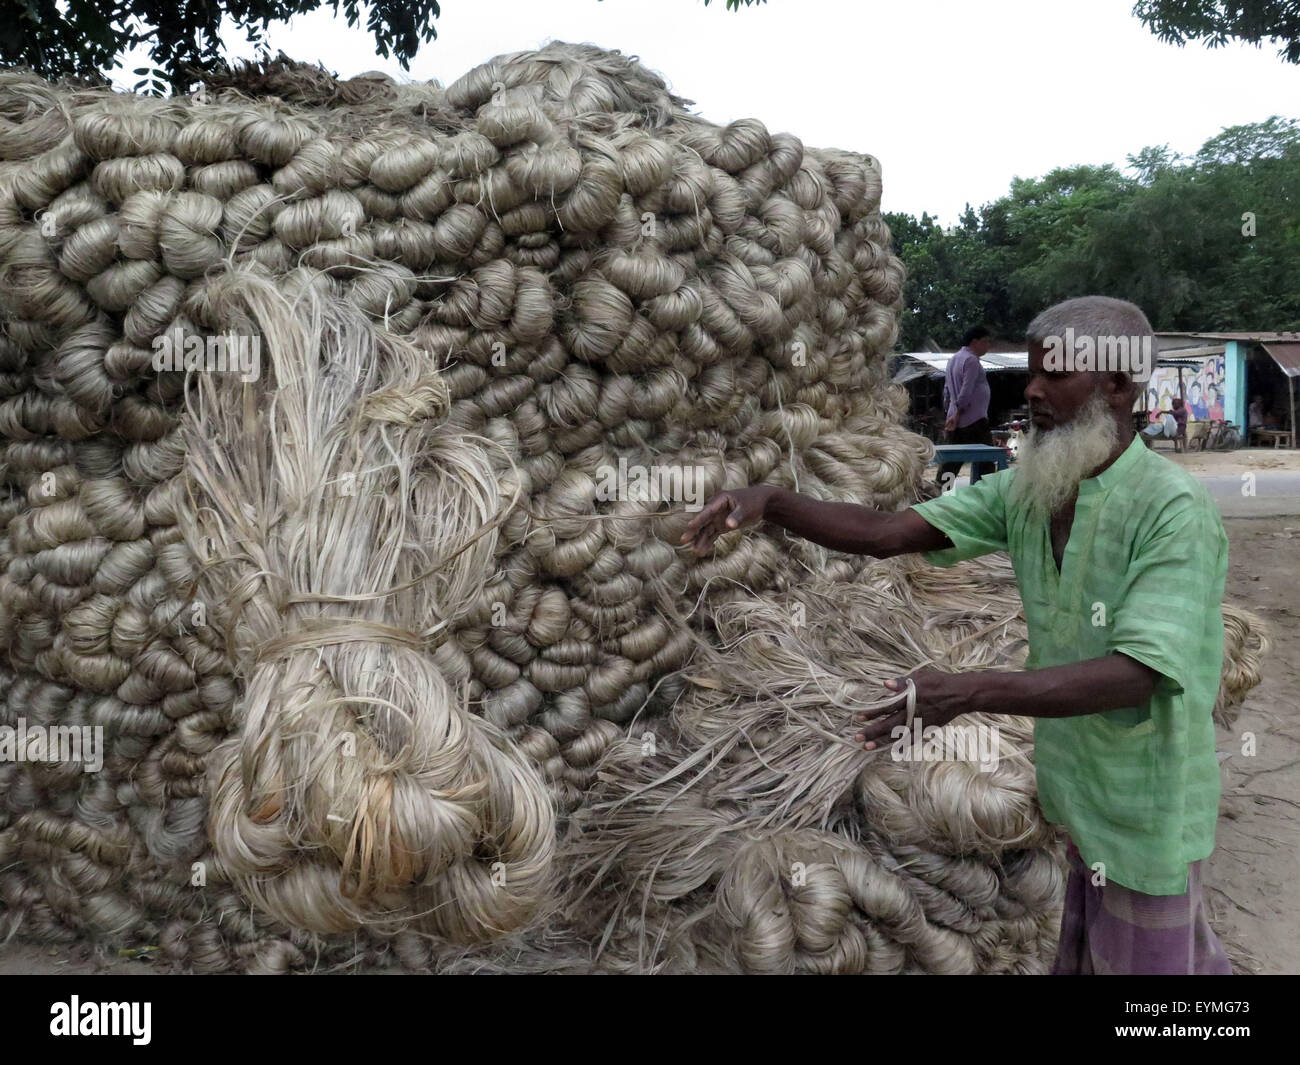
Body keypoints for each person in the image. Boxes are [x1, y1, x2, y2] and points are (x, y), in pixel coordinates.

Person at [682, 295, 1232, 976]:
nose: (1030, 389)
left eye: (1053, 374)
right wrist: (771, 501)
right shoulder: (1030, 491)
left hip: (1148, 806)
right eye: (1031, 372)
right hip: (1079, 799)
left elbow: (1138, 671)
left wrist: (969, 690)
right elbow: (889, 534)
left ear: (1117, 384)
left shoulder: (1171, 508)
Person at [937, 326, 995, 487]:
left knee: (953, 460)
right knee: (986, 459)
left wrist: (950, 413)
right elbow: (966, 391)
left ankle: (941, 490)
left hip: (957, 417)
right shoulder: (971, 360)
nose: (987, 346)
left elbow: (947, 391)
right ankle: (985, 493)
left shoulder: (953, 359)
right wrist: (957, 413)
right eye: (985, 342)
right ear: (975, 342)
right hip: (973, 418)